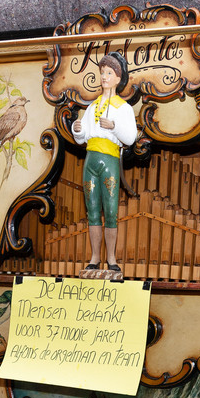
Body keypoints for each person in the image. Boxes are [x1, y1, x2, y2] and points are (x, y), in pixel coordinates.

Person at [72, 52, 138, 280]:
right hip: (90, 160)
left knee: (110, 211)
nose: (104, 77)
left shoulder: (123, 108)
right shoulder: (92, 106)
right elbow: (82, 138)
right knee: (92, 210)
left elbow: (130, 138)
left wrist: (114, 126)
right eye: (102, 73)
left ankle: (111, 258)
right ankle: (94, 258)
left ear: (118, 78)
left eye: (109, 73)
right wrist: (78, 130)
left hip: (109, 160)